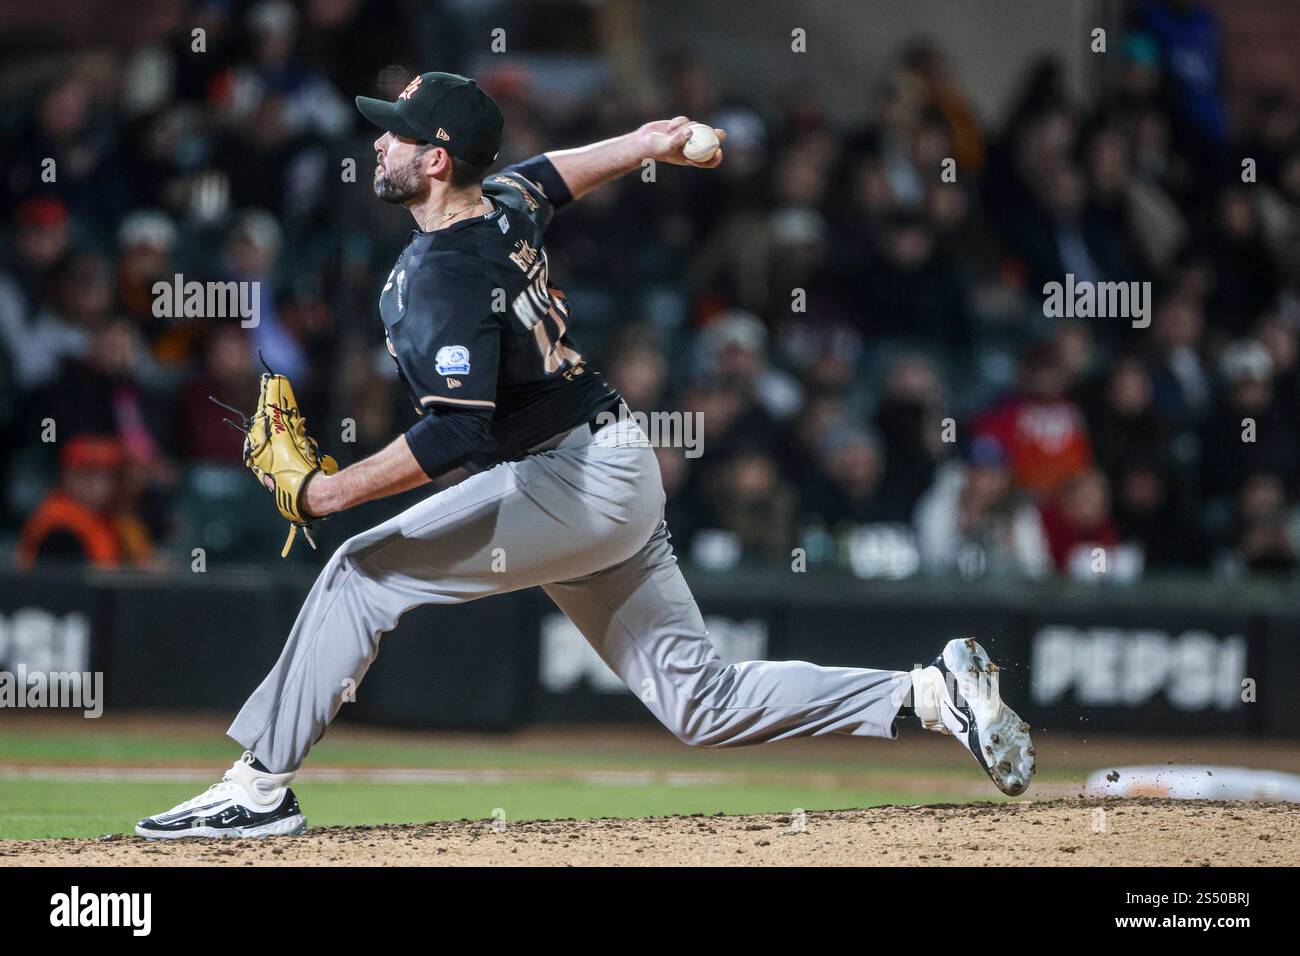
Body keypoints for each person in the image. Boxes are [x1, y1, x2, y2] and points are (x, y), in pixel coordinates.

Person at [136, 72, 1034, 839]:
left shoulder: (444, 274)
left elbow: (455, 431)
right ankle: (929, 693)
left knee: (360, 572)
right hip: (604, 466)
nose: (378, 147)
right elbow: (551, 177)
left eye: (397, 136)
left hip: (570, 477)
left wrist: (329, 492)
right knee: (701, 703)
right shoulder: (502, 206)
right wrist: (649, 139)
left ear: (437, 159)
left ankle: (256, 792)